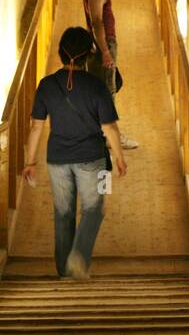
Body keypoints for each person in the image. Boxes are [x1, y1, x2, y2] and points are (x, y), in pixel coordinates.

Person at [23, 27, 127, 280]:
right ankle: (78, 256)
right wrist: (119, 157)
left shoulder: (46, 85)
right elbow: (109, 128)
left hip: (57, 159)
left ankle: (63, 272)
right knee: (94, 209)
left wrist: (30, 162)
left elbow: (36, 126)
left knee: (63, 213)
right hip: (93, 158)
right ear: (88, 55)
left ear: (60, 52)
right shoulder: (97, 86)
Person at [83, 0, 141, 149]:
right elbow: (97, 21)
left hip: (101, 45)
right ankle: (110, 137)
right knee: (108, 91)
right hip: (103, 45)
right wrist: (105, 51)